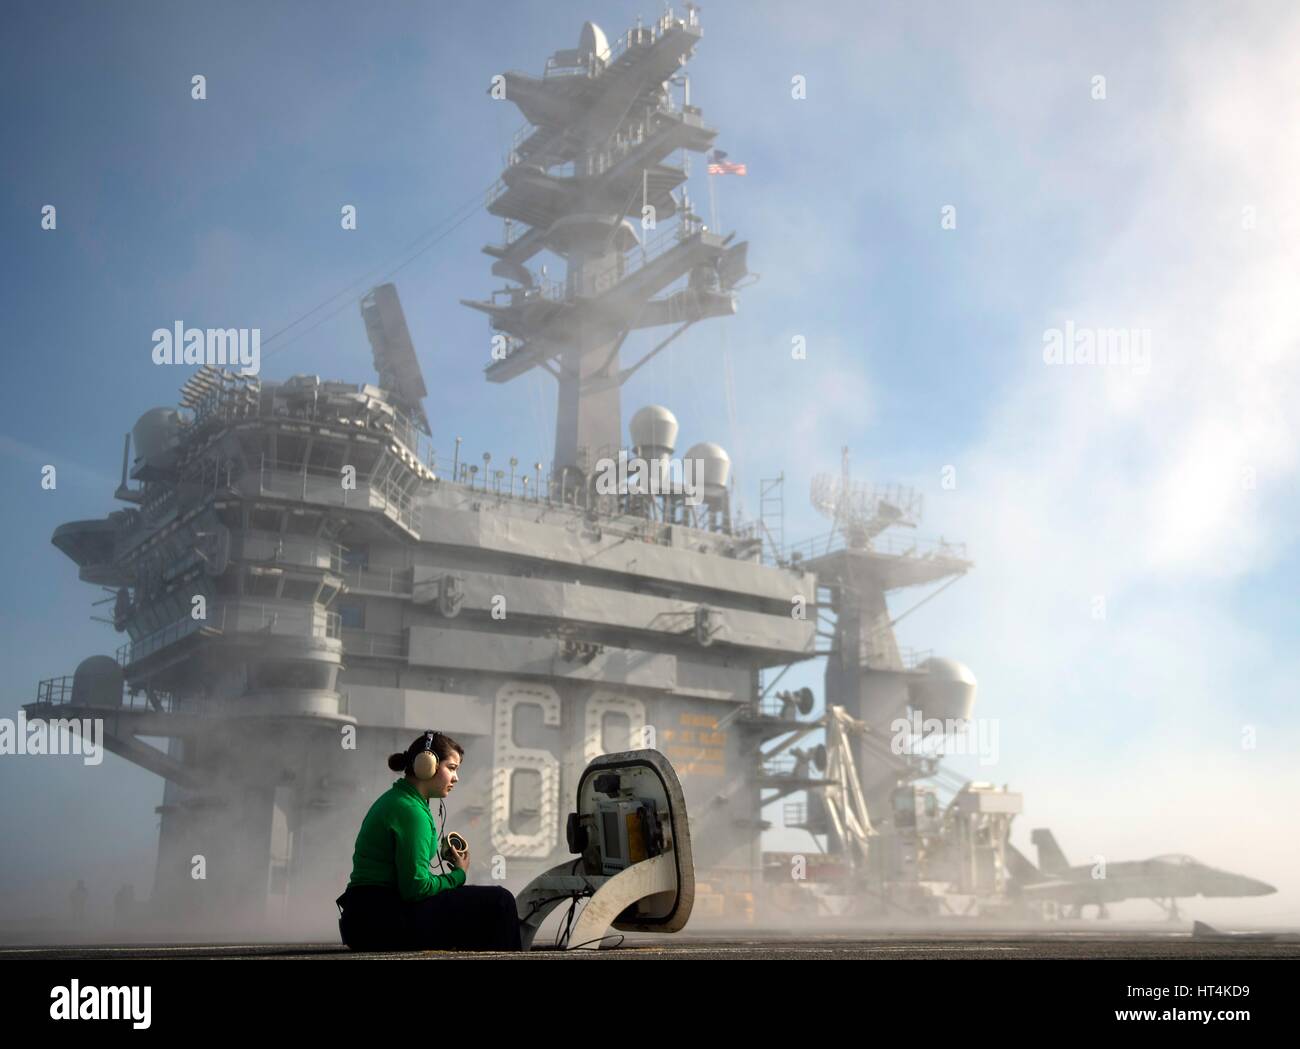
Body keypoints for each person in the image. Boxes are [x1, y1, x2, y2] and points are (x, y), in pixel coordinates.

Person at [336, 730, 522, 951]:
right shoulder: (411, 812)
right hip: (380, 921)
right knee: (500, 901)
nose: (456, 777)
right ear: (427, 765)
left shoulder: (398, 800)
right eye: (451, 768)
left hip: (367, 919)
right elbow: (415, 888)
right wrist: (457, 876)